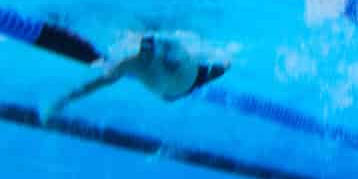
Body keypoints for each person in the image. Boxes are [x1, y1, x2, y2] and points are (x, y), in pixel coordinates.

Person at [45, 31, 229, 122]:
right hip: (176, 89)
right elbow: (98, 83)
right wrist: (66, 99)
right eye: (144, 50)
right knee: (223, 65)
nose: (144, 54)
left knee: (224, 65)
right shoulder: (132, 63)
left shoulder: (166, 49)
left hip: (185, 79)